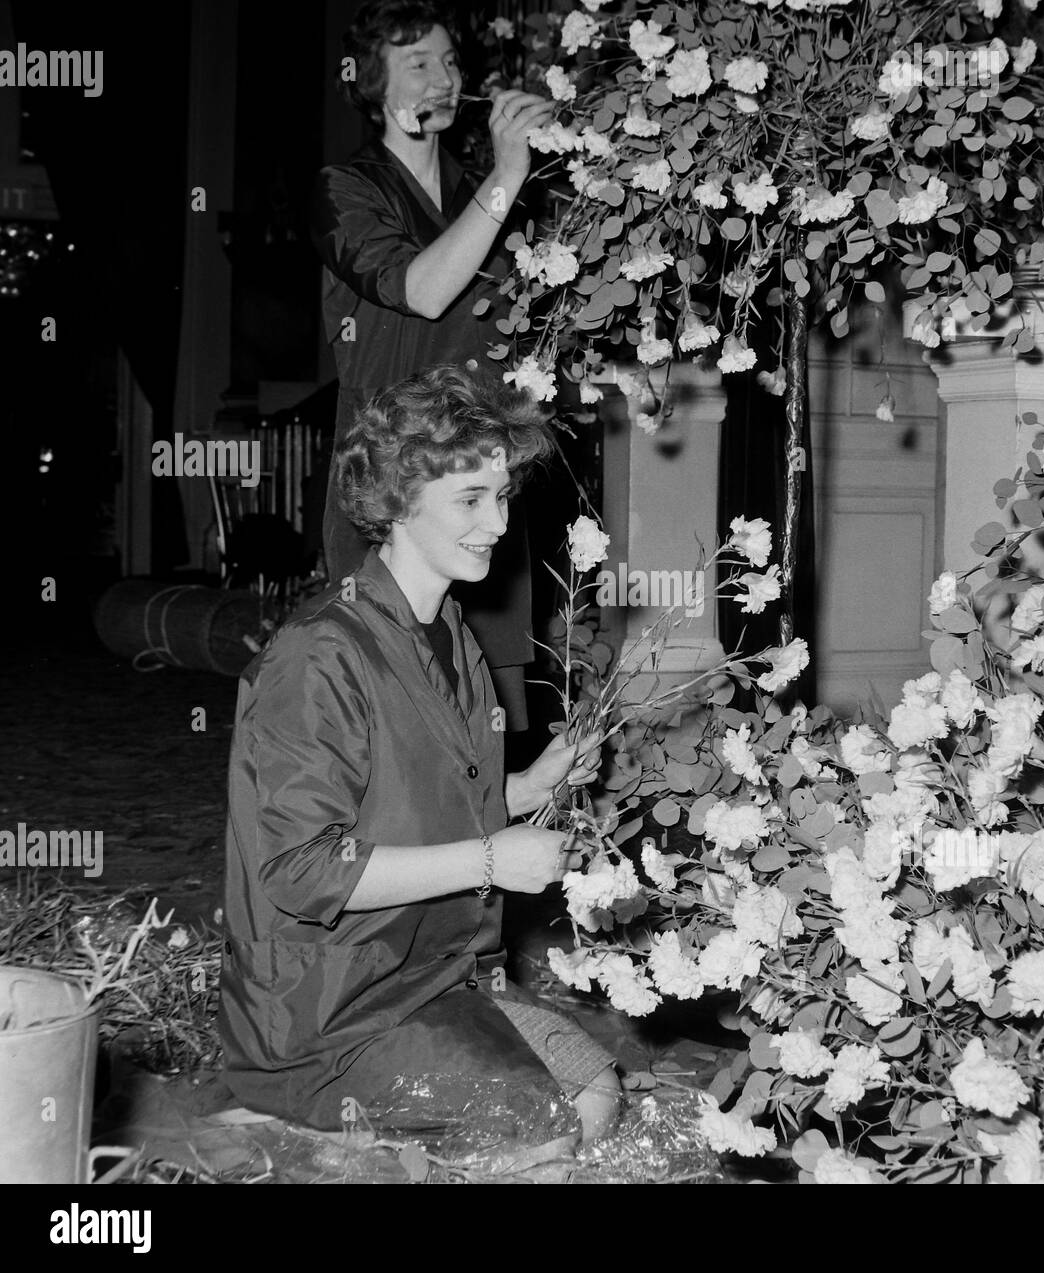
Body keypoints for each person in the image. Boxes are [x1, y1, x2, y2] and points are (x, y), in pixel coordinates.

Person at [217, 366, 621, 1147]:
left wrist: (532, 782)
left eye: (501, 495)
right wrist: (489, 861)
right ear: (399, 503)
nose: (498, 522)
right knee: (541, 1129)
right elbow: (301, 869)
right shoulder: (319, 657)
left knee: (596, 1093)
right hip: (323, 1015)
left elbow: (420, 799)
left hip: (427, 979)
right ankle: (315, 1129)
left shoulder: (453, 635)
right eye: (470, 499)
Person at [310, 0, 555, 731]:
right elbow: (422, 289)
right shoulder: (343, 188)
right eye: (418, 63)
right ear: (372, 84)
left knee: (495, 719)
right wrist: (508, 173)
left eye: (450, 62)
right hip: (392, 473)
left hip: (483, 480)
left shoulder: (488, 189)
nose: (444, 77)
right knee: (388, 708)